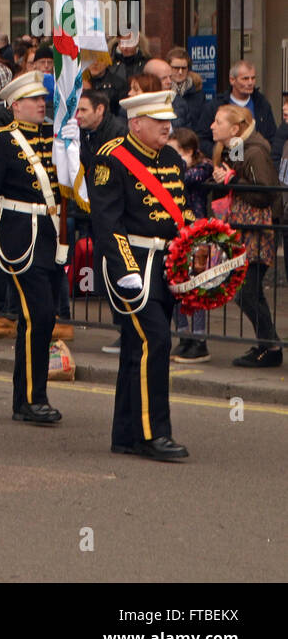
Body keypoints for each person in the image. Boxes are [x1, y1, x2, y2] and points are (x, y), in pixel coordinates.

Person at [88, 90, 192, 460]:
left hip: (164, 265)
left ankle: (127, 433)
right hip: (131, 265)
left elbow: (182, 210)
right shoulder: (111, 159)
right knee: (156, 341)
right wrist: (125, 271)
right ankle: (153, 434)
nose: (167, 126)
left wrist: (201, 242)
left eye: (168, 121)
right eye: (159, 121)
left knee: (137, 348)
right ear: (136, 124)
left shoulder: (170, 158)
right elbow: (106, 222)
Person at [0, 72, 65, 425]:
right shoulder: (1, 140)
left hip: (50, 237)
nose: (42, 105)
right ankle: (33, 397)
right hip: (19, 237)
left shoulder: (55, 137)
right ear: (15, 105)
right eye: (34, 100)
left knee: (38, 317)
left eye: (44, 100)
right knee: (38, 315)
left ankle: (26, 398)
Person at [209, 104, 282, 368]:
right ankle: (269, 344)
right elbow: (237, 175)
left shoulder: (255, 151)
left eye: (218, 121)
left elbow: (266, 193)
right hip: (244, 230)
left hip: (258, 231)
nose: (212, 126)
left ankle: (271, 345)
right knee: (247, 291)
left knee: (246, 292)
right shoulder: (238, 147)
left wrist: (230, 180)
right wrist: (225, 176)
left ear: (235, 128)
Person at [168, 128, 212, 363]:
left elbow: (188, 178)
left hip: (197, 233)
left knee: (196, 287)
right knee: (176, 284)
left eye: (174, 152)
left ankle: (199, 339)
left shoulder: (202, 167)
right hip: (177, 231)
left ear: (188, 152)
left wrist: (177, 165)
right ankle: (183, 335)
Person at [197, 60, 277, 156]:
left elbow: (272, 137)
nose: (250, 82)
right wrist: (221, 154)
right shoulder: (216, 105)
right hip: (224, 163)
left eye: (253, 78)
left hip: (255, 159)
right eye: (245, 79)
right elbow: (202, 139)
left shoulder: (262, 104)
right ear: (232, 80)